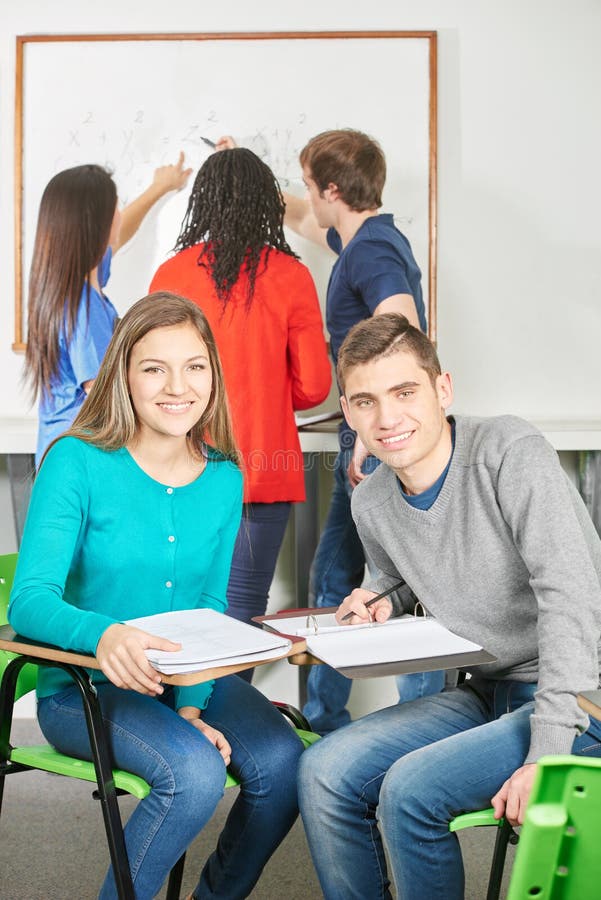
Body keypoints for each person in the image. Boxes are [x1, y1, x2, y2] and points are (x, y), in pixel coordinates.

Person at [9, 293, 304, 900]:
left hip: (185, 677)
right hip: (84, 688)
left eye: (194, 366)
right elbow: (29, 601)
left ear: (212, 375)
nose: (177, 387)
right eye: (154, 368)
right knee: (194, 773)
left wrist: (191, 707)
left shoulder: (223, 476)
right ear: (124, 374)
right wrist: (105, 635)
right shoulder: (75, 462)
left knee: (283, 763)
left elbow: (208, 606)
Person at [297, 312, 601, 900]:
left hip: (583, 695)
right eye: (365, 401)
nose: (387, 419)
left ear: (443, 389)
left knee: (411, 791)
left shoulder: (510, 453)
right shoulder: (372, 502)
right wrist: (381, 597)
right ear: (348, 412)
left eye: (404, 392)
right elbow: (402, 573)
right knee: (323, 771)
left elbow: (571, 597)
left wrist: (547, 756)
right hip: (490, 689)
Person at [281, 128, 441, 731]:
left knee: (393, 583)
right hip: (366, 444)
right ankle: (326, 720)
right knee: (336, 576)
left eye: (308, 185)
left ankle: (420, 725)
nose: (306, 197)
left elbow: (402, 326)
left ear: (332, 190)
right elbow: (304, 219)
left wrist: (374, 433)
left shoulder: (370, 251)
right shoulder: (361, 238)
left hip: (376, 448)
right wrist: (246, 176)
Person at [149, 147, 331, 665]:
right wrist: (271, 387)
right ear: (267, 204)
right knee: (242, 612)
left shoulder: (171, 274)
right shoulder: (292, 275)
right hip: (262, 469)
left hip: (178, 468)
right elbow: (315, 387)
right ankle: (231, 714)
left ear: (202, 203)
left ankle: (183, 713)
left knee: (175, 610)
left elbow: (149, 377)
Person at [25, 154, 192, 468]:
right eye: (116, 206)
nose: (120, 213)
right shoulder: (84, 307)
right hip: (80, 463)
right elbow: (106, 394)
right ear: (99, 223)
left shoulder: (72, 284)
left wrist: (159, 188)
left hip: (65, 455)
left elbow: (120, 232)